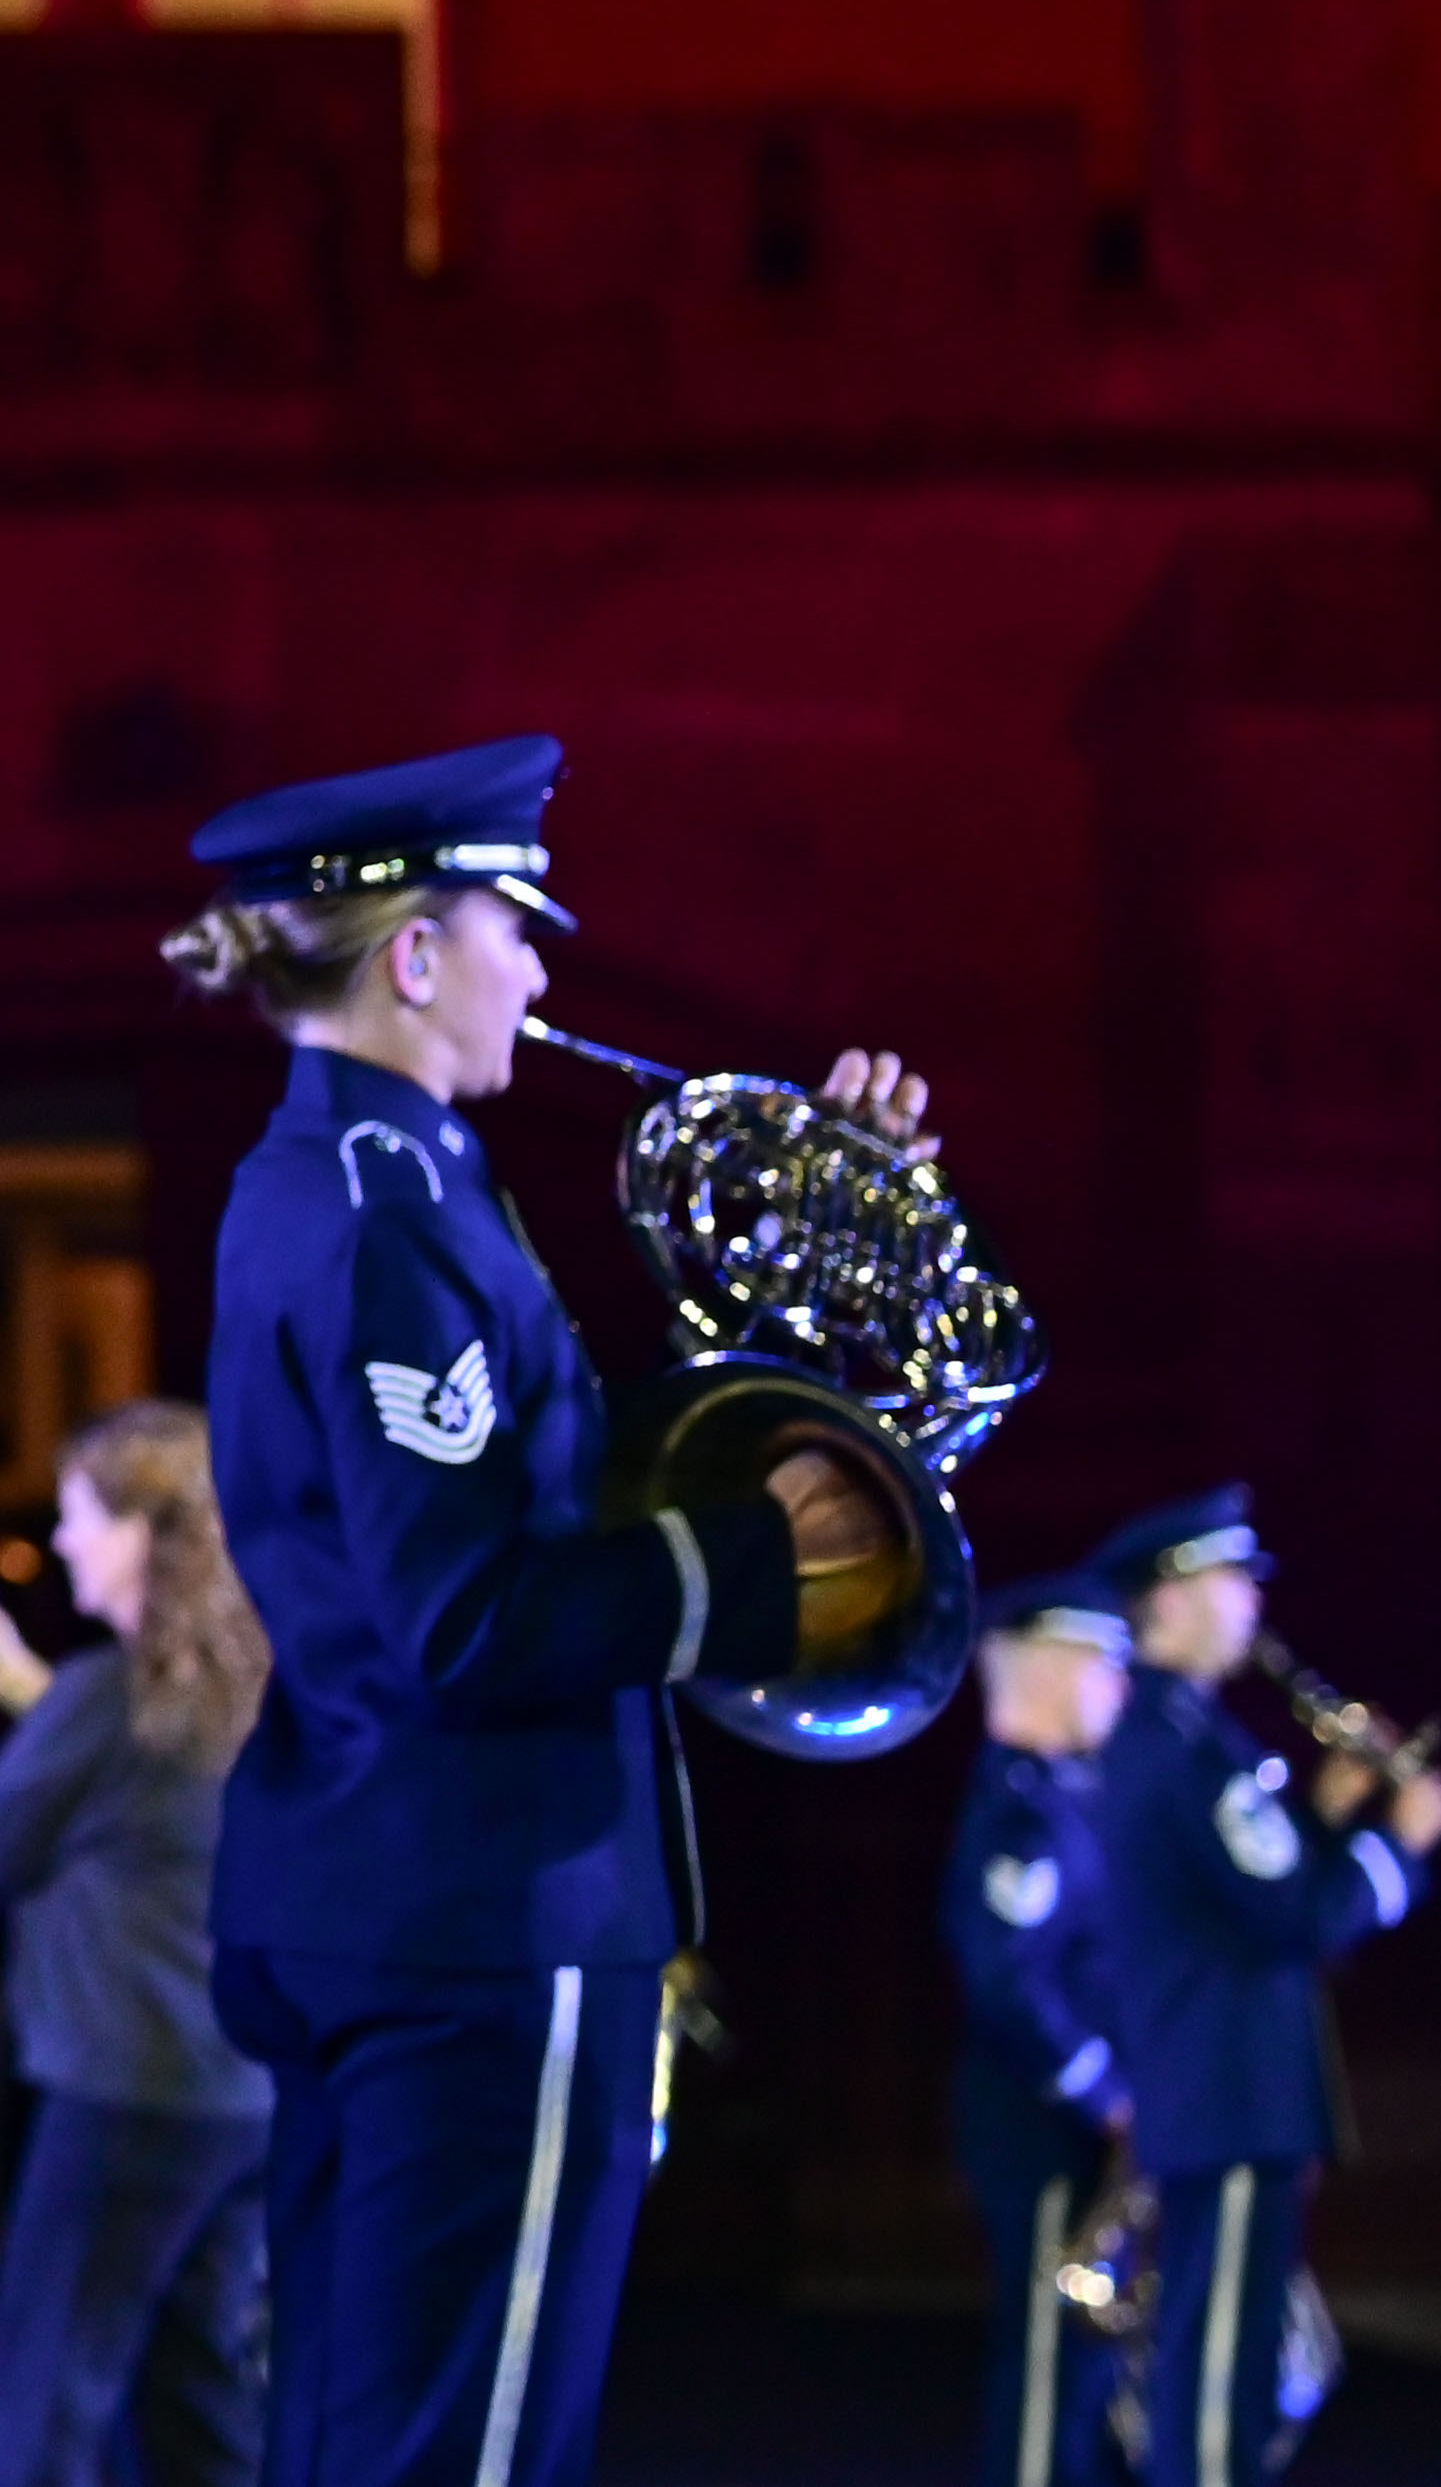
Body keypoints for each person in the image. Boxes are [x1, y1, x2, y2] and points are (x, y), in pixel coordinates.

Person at [167, 735, 918, 2487]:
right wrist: (764, 1559)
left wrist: (820, 1264)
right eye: (516, 927)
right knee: (470, 2455)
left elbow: (526, 1494)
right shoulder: (388, 1218)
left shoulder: (361, 1184)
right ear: (413, 955)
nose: (541, 969)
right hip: (477, 1915)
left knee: (362, 2441)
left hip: (376, 1891)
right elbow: (471, 1614)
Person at [0, 1403, 275, 2487]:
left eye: (79, 1514)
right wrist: (18, 1684)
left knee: (36, 2404)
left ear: (145, 1529)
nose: (63, 1537)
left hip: (122, 2090)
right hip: (234, 2093)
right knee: (195, 2405)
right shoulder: (236, 1685)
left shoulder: (106, 1695)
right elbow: (125, 1783)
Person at [1082, 1490, 1441, 2487]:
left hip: (1216, 2090)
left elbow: (1243, 1893)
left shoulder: (1165, 1737)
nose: (1248, 1603)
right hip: (1231, 2093)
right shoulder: (1189, 1748)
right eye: (1229, 1579)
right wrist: (1393, 1842)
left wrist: (1323, 1824)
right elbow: (1294, 1916)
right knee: (1214, 2371)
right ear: (1173, 1595)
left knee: (1220, 2354)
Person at [944, 1572, 1137, 2487]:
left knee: (1086, 2365)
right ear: (1053, 1667)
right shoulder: (1021, 1807)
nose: (1120, 1689)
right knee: (1044, 2366)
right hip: (1040, 2120)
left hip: (1082, 2125)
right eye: (1106, 1664)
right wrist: (1100, 2089)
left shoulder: (1070, 1797)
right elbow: (1004, 1972)